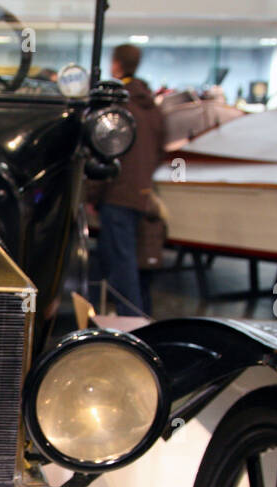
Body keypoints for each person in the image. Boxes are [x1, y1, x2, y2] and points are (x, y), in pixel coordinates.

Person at [88, 43, 164, 316]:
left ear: (116, 64)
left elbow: (104, 154)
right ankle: (105, 310)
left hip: (117, 193)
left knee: (122, 261)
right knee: (125, 259)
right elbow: (159, 151)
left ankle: (132, 320)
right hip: (141, 192)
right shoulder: (151, 107)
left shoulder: (117, 109)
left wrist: (92, 194)